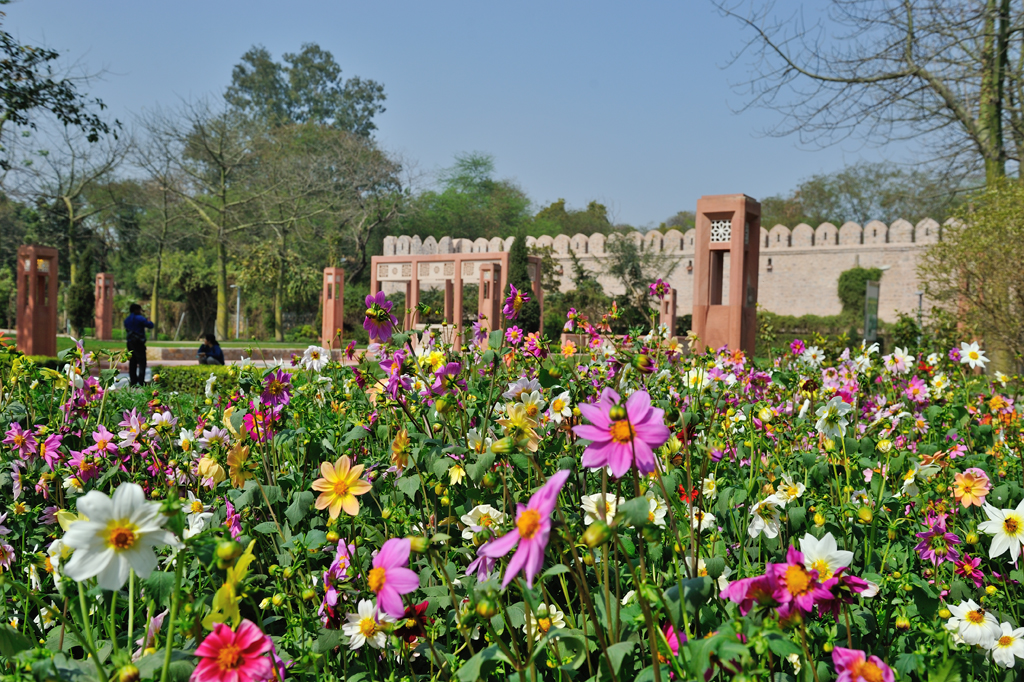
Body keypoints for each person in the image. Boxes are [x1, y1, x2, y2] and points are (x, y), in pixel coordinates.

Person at [124, 303, 154, 387]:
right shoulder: (140, 318)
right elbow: (150, 325)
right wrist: (149, 321)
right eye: (139, 310)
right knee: (142, 362)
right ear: (136, 310)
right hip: (139, 343)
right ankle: (141, 381)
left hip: (130, 342)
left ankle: (133, 381)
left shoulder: (127, 319)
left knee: (132, 362)